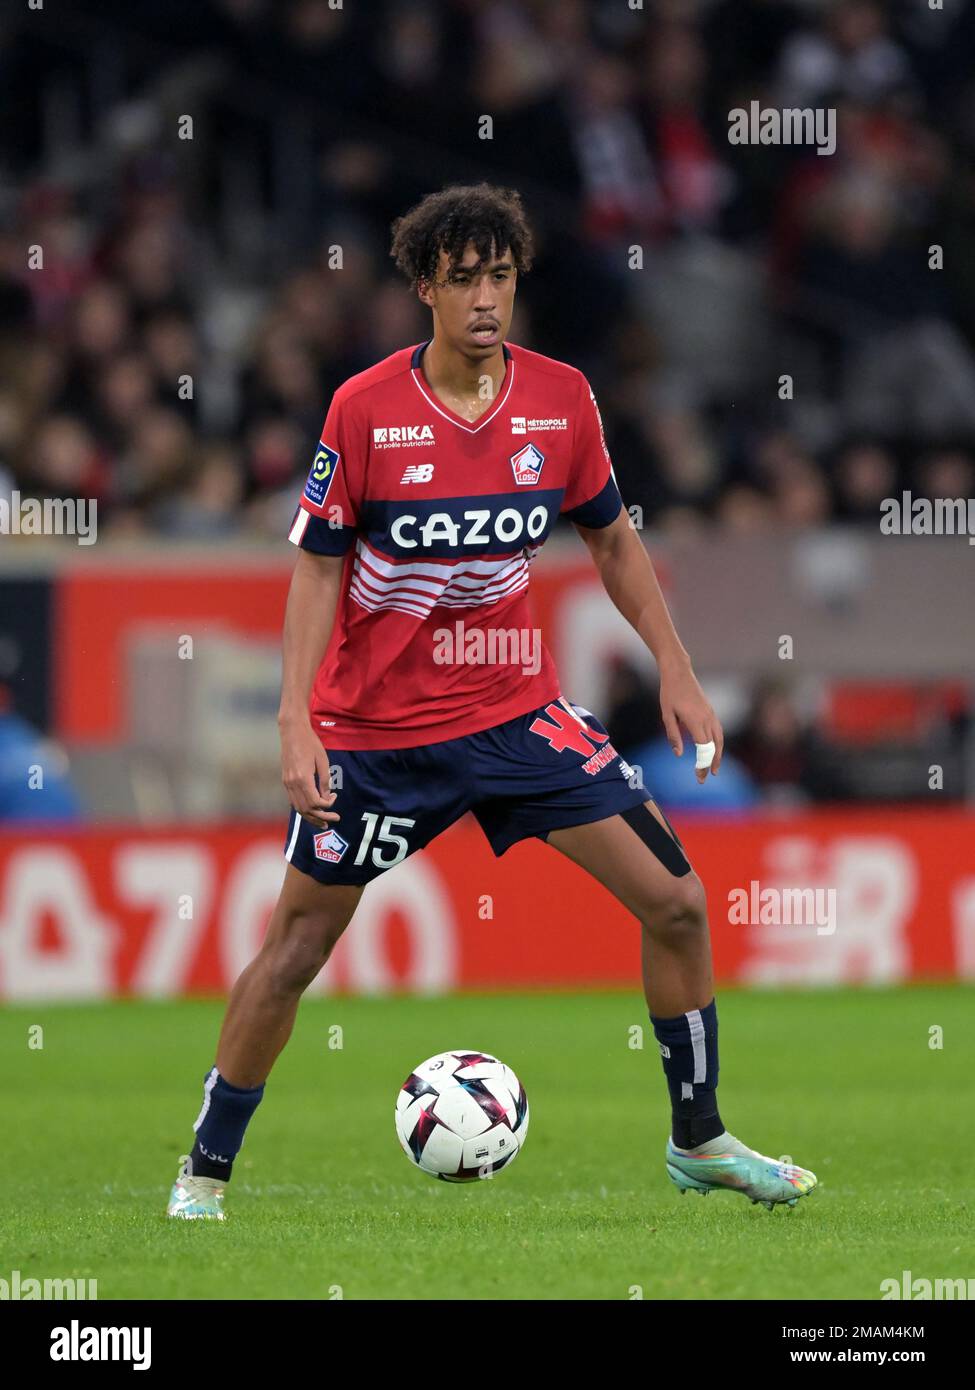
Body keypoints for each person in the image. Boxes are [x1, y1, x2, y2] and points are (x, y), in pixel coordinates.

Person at [167, 184, 816, 1219]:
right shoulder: (364, 410)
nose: (484, 298)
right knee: (293, 953)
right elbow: (319, 567)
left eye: (500, 276)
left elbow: (612, 539)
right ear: (424, 288)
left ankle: (698, 1140)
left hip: (516, 715)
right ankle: (203, 1173)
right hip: (376, 738)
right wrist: (296, 719)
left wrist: (676, 666)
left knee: (679, 902)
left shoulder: (561, 400)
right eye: (462, 278)